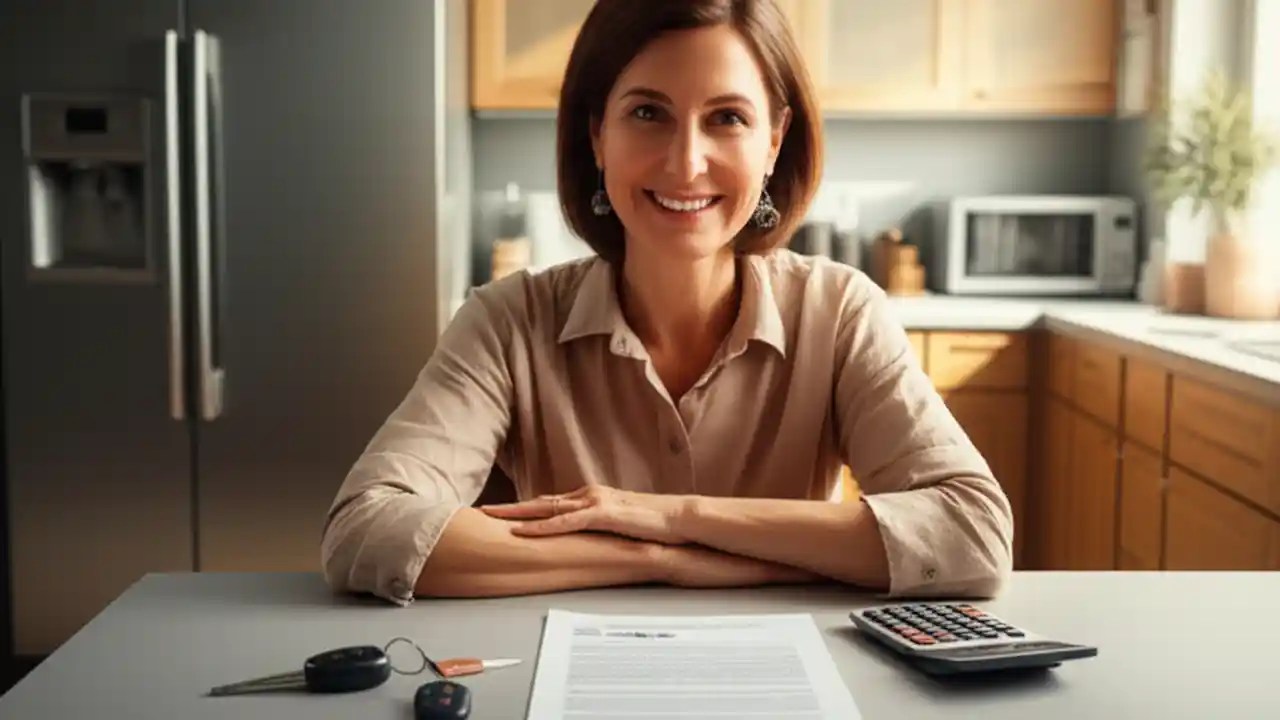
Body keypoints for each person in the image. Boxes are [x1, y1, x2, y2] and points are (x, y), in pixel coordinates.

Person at [320, 0, 1012, 607]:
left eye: (727, 119)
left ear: (774, 141)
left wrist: (672, 515)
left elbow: (971, 533)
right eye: (648, 112)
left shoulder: (839, 311)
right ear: (598, 136)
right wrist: (656, 555)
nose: (685, 163)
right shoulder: (508, 321)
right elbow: (367, 529)